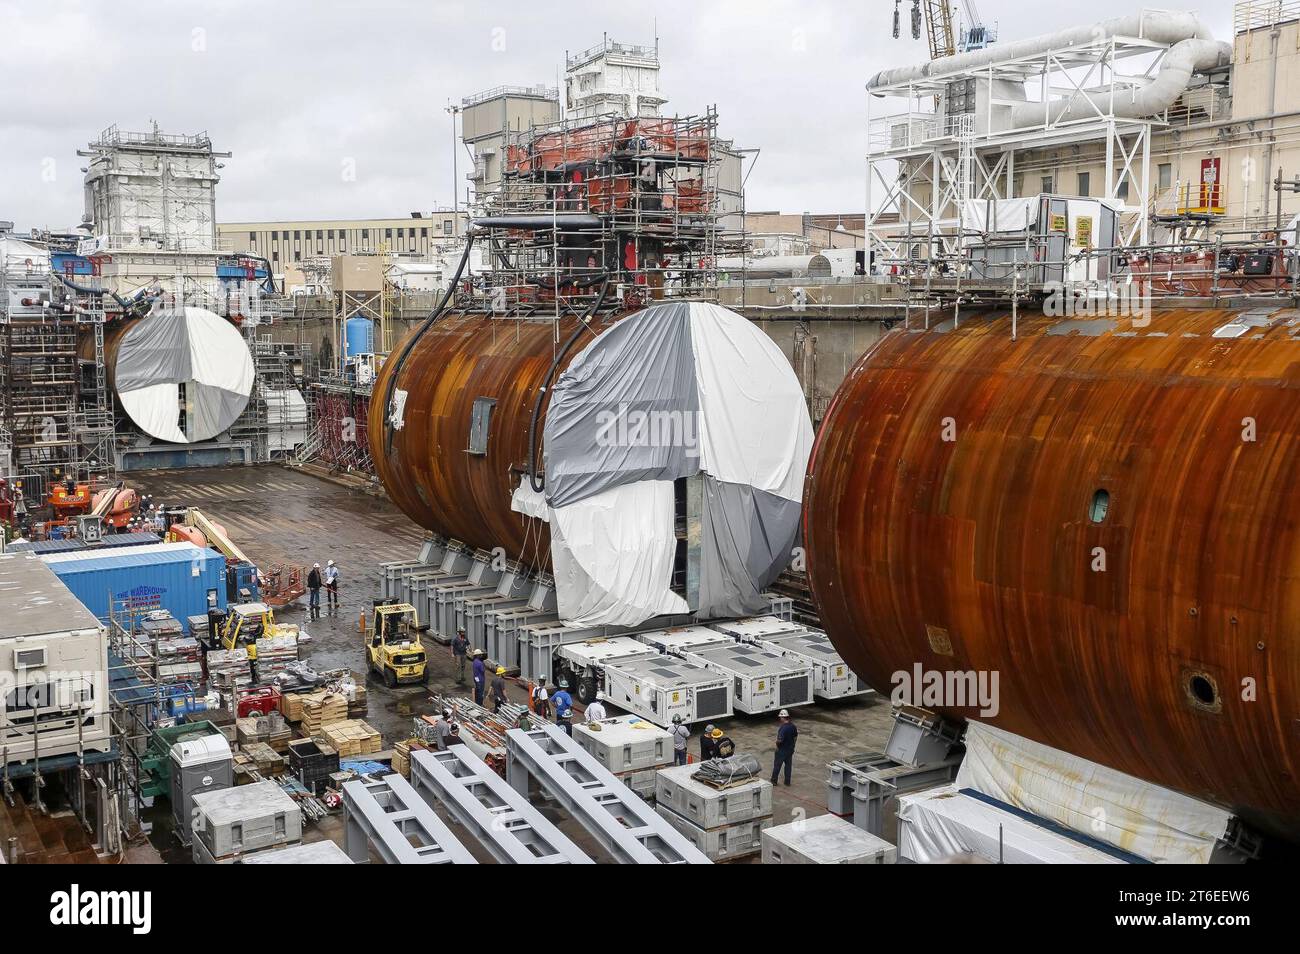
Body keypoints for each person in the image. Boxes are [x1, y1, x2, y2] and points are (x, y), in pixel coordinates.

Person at [771, 709, 798, 786]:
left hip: (781, 750)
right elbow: (795, 737)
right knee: (788, 766)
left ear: (783, 718)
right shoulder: (793, 726)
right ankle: (787, 782)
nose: (780, 719)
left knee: (777, 766)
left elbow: (780, 740)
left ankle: (774, 781)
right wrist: (793, 746)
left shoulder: (783, 728)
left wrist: (777, 744)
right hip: (790, 750)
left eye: (780, 717)